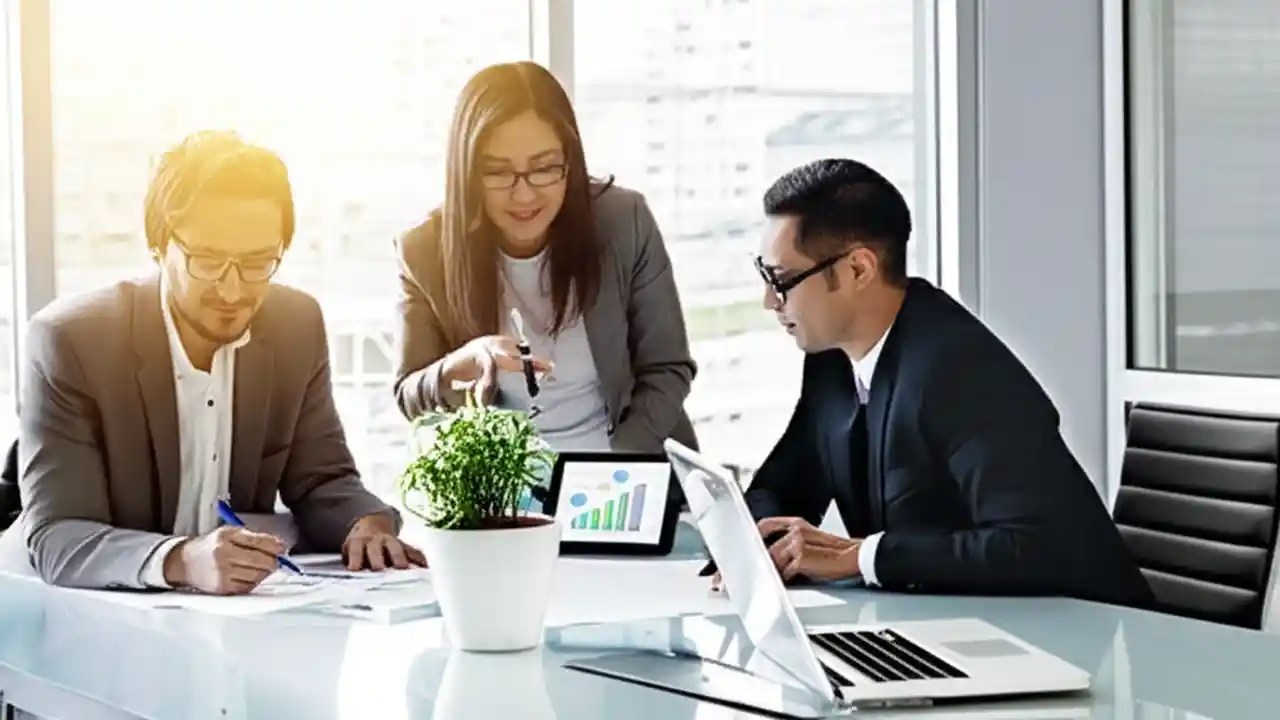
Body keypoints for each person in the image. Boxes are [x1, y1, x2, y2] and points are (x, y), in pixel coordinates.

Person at [13, 130, 422, 594]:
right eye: (207, 261)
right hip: (82, 608)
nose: (233, 291)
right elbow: (57, 534)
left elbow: (322, 479)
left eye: (257, 262)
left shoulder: (294, 325)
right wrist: (183, 559)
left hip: (233, 616)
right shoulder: (72, 341)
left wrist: (363, 523)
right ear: (158, 246)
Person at [739, 158, 1152, 608]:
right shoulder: (832, 362)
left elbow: (1038, 546)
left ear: (858, 269)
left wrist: (863, 557)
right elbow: (778, 488)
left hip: (1092, 643)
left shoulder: (960, 369)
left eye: (780, 280)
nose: (768, 301)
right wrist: (763, 548)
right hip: (952, 629)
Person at [394, 61, 697, 453]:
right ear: (466, 173)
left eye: (544, 168)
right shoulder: (424, 248)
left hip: (623, 472)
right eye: (498, 173)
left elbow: (668, 369)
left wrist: (609, 474)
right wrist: (460, 363)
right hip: (499, 495)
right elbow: (409, 395)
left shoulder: (624, 222)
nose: (524, 195)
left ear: (570, 162)